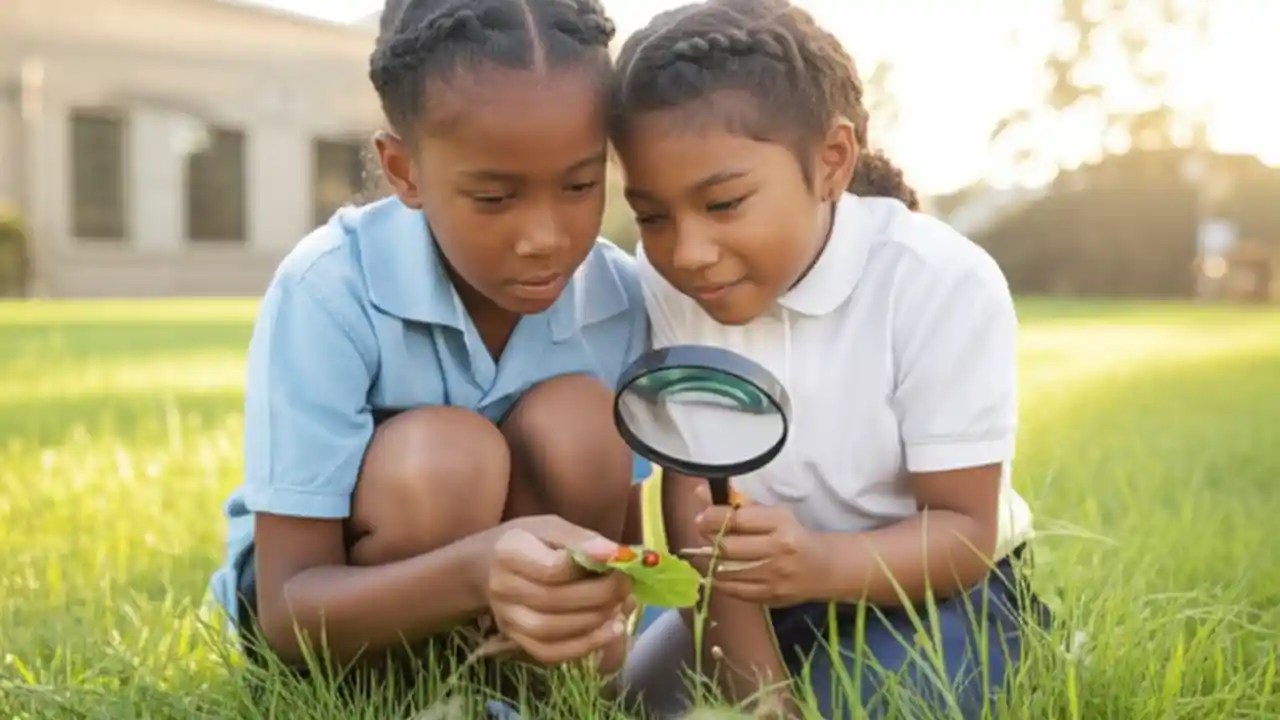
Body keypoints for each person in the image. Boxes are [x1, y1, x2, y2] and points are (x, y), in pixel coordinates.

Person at [608, 1, 1047, 717]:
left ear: (832, 162)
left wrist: (818, 564)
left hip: (930, 585)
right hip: (750, 592)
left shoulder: (939, 281)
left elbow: (965, 529)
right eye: (653, 216)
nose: (686, 253)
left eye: (723, 204)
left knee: (877, 702)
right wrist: (761, 697)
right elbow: (695, 500)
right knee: (634, 704)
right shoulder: (669, 284)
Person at [207, 0, 652, 683]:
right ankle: (407, 684)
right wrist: (478, 569)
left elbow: (621, 549)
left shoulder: (619, 298)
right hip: (323, 618)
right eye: (494, 198)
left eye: (580, 184)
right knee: (449, 458)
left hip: (510, 607)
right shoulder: (328, 288)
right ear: (403, 170)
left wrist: (606, 622)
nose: (545, 237)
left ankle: (521, 680)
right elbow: (289, 608)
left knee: (582, 422)